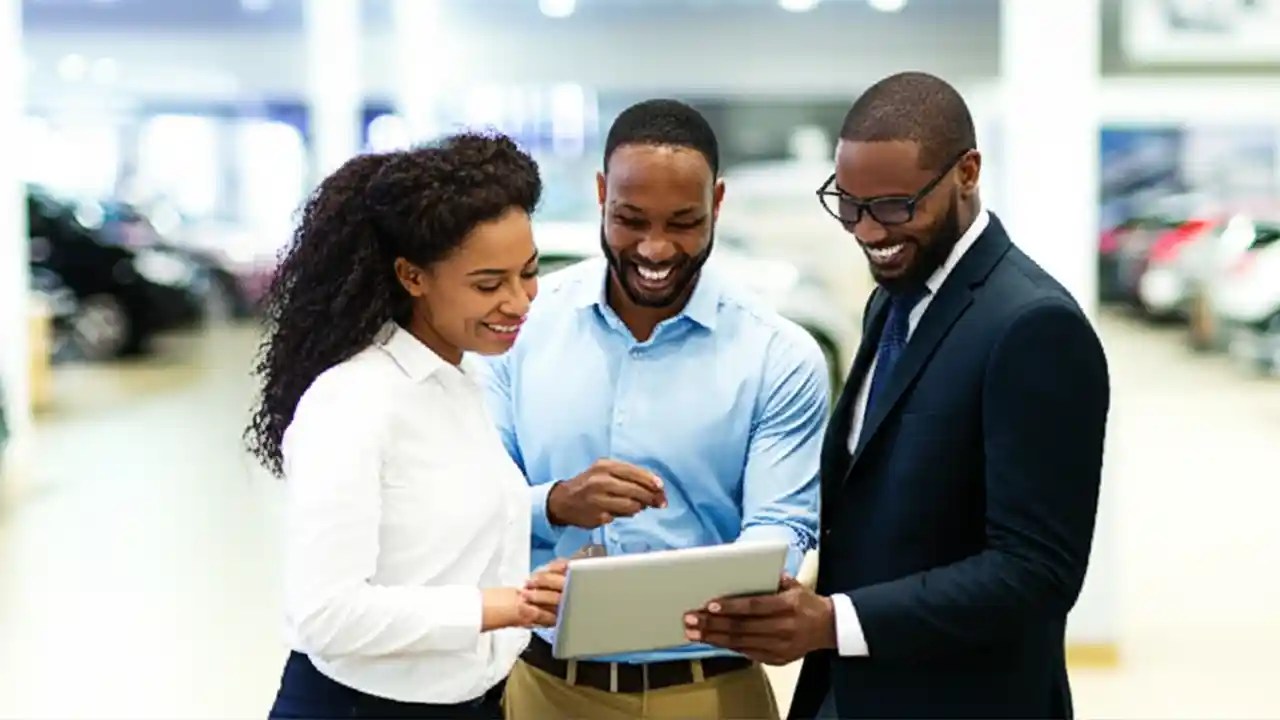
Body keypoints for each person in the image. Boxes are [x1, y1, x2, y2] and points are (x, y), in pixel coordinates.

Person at [683, 71, 1112, 719]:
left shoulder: (1033, 326)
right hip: (853, 691)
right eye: (848, 204)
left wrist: (833, 621)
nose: (866, 230)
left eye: (892, 206)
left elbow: (1035, 573)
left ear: (967, 172)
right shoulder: (893, 299)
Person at [483, 99, 829, 719]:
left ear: (718, 203)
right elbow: (474, 500)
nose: (656, 247)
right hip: (544, 688)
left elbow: (781, 530)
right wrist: (556, 501)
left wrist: (698, 590)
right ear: (600, 193)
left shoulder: (780, 354)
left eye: (684, 222)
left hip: (710, 691)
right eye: (631, 219)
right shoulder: (522, 328)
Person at [245, 132, 568, 720]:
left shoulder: (457, 380)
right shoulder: (353, 402)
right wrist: (503, 606)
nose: (520, 302)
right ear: (412, 276)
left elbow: (428, 521)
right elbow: (328, 614)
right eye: (489, 284)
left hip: (469, 700)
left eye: (529, 272)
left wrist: (555, 515)